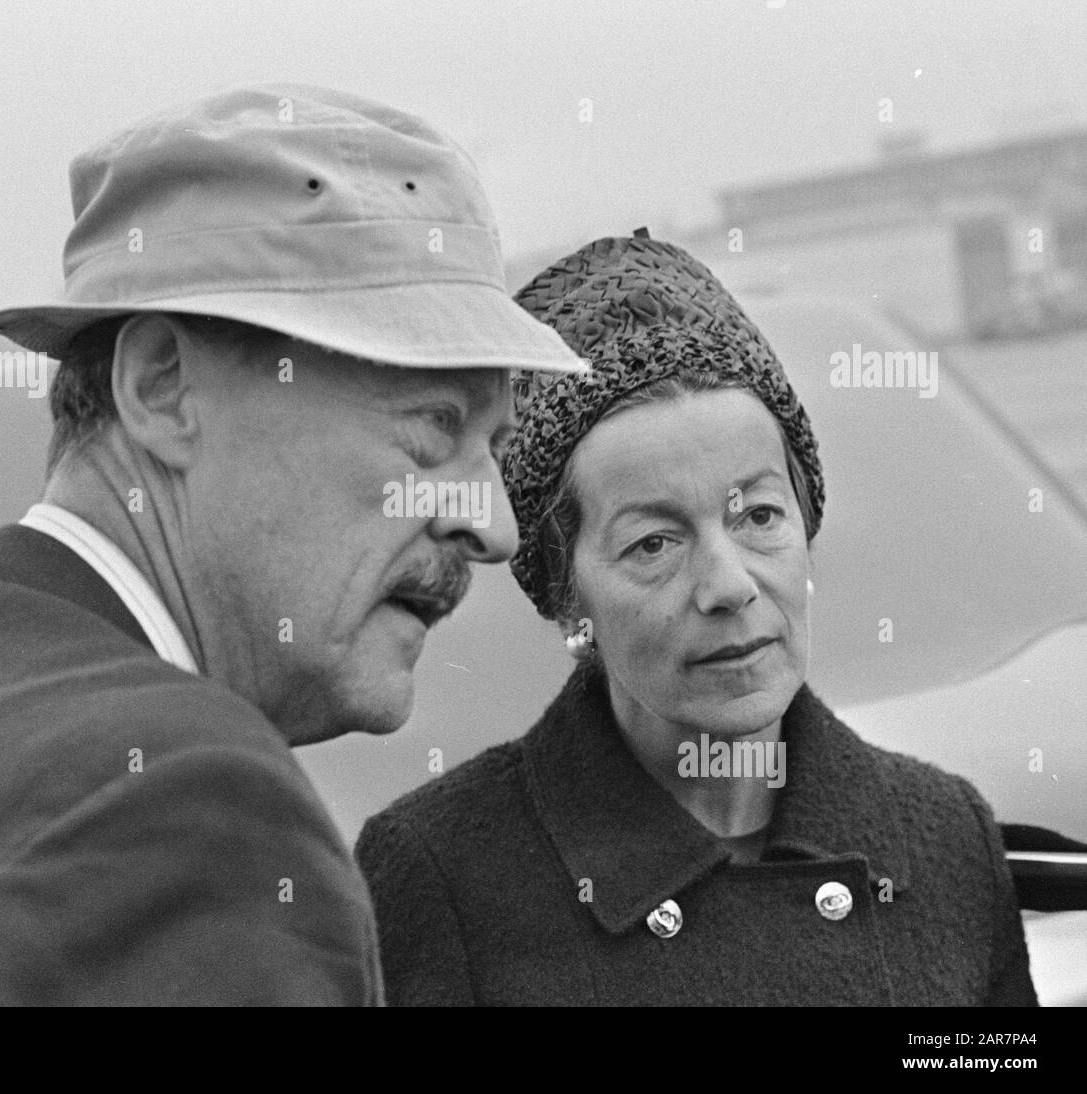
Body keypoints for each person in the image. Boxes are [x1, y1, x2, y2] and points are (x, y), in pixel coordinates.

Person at [0, 85, 584, 1005]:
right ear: (163, 387)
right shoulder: (185, 812)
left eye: (493, 446)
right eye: (433, 426)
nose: (494, 525)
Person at [355, 231, 1038, 1006]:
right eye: (654, 542)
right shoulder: (442, 879)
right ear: (569, 598)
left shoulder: (944, 839)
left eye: (759, 516)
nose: (728, 584)